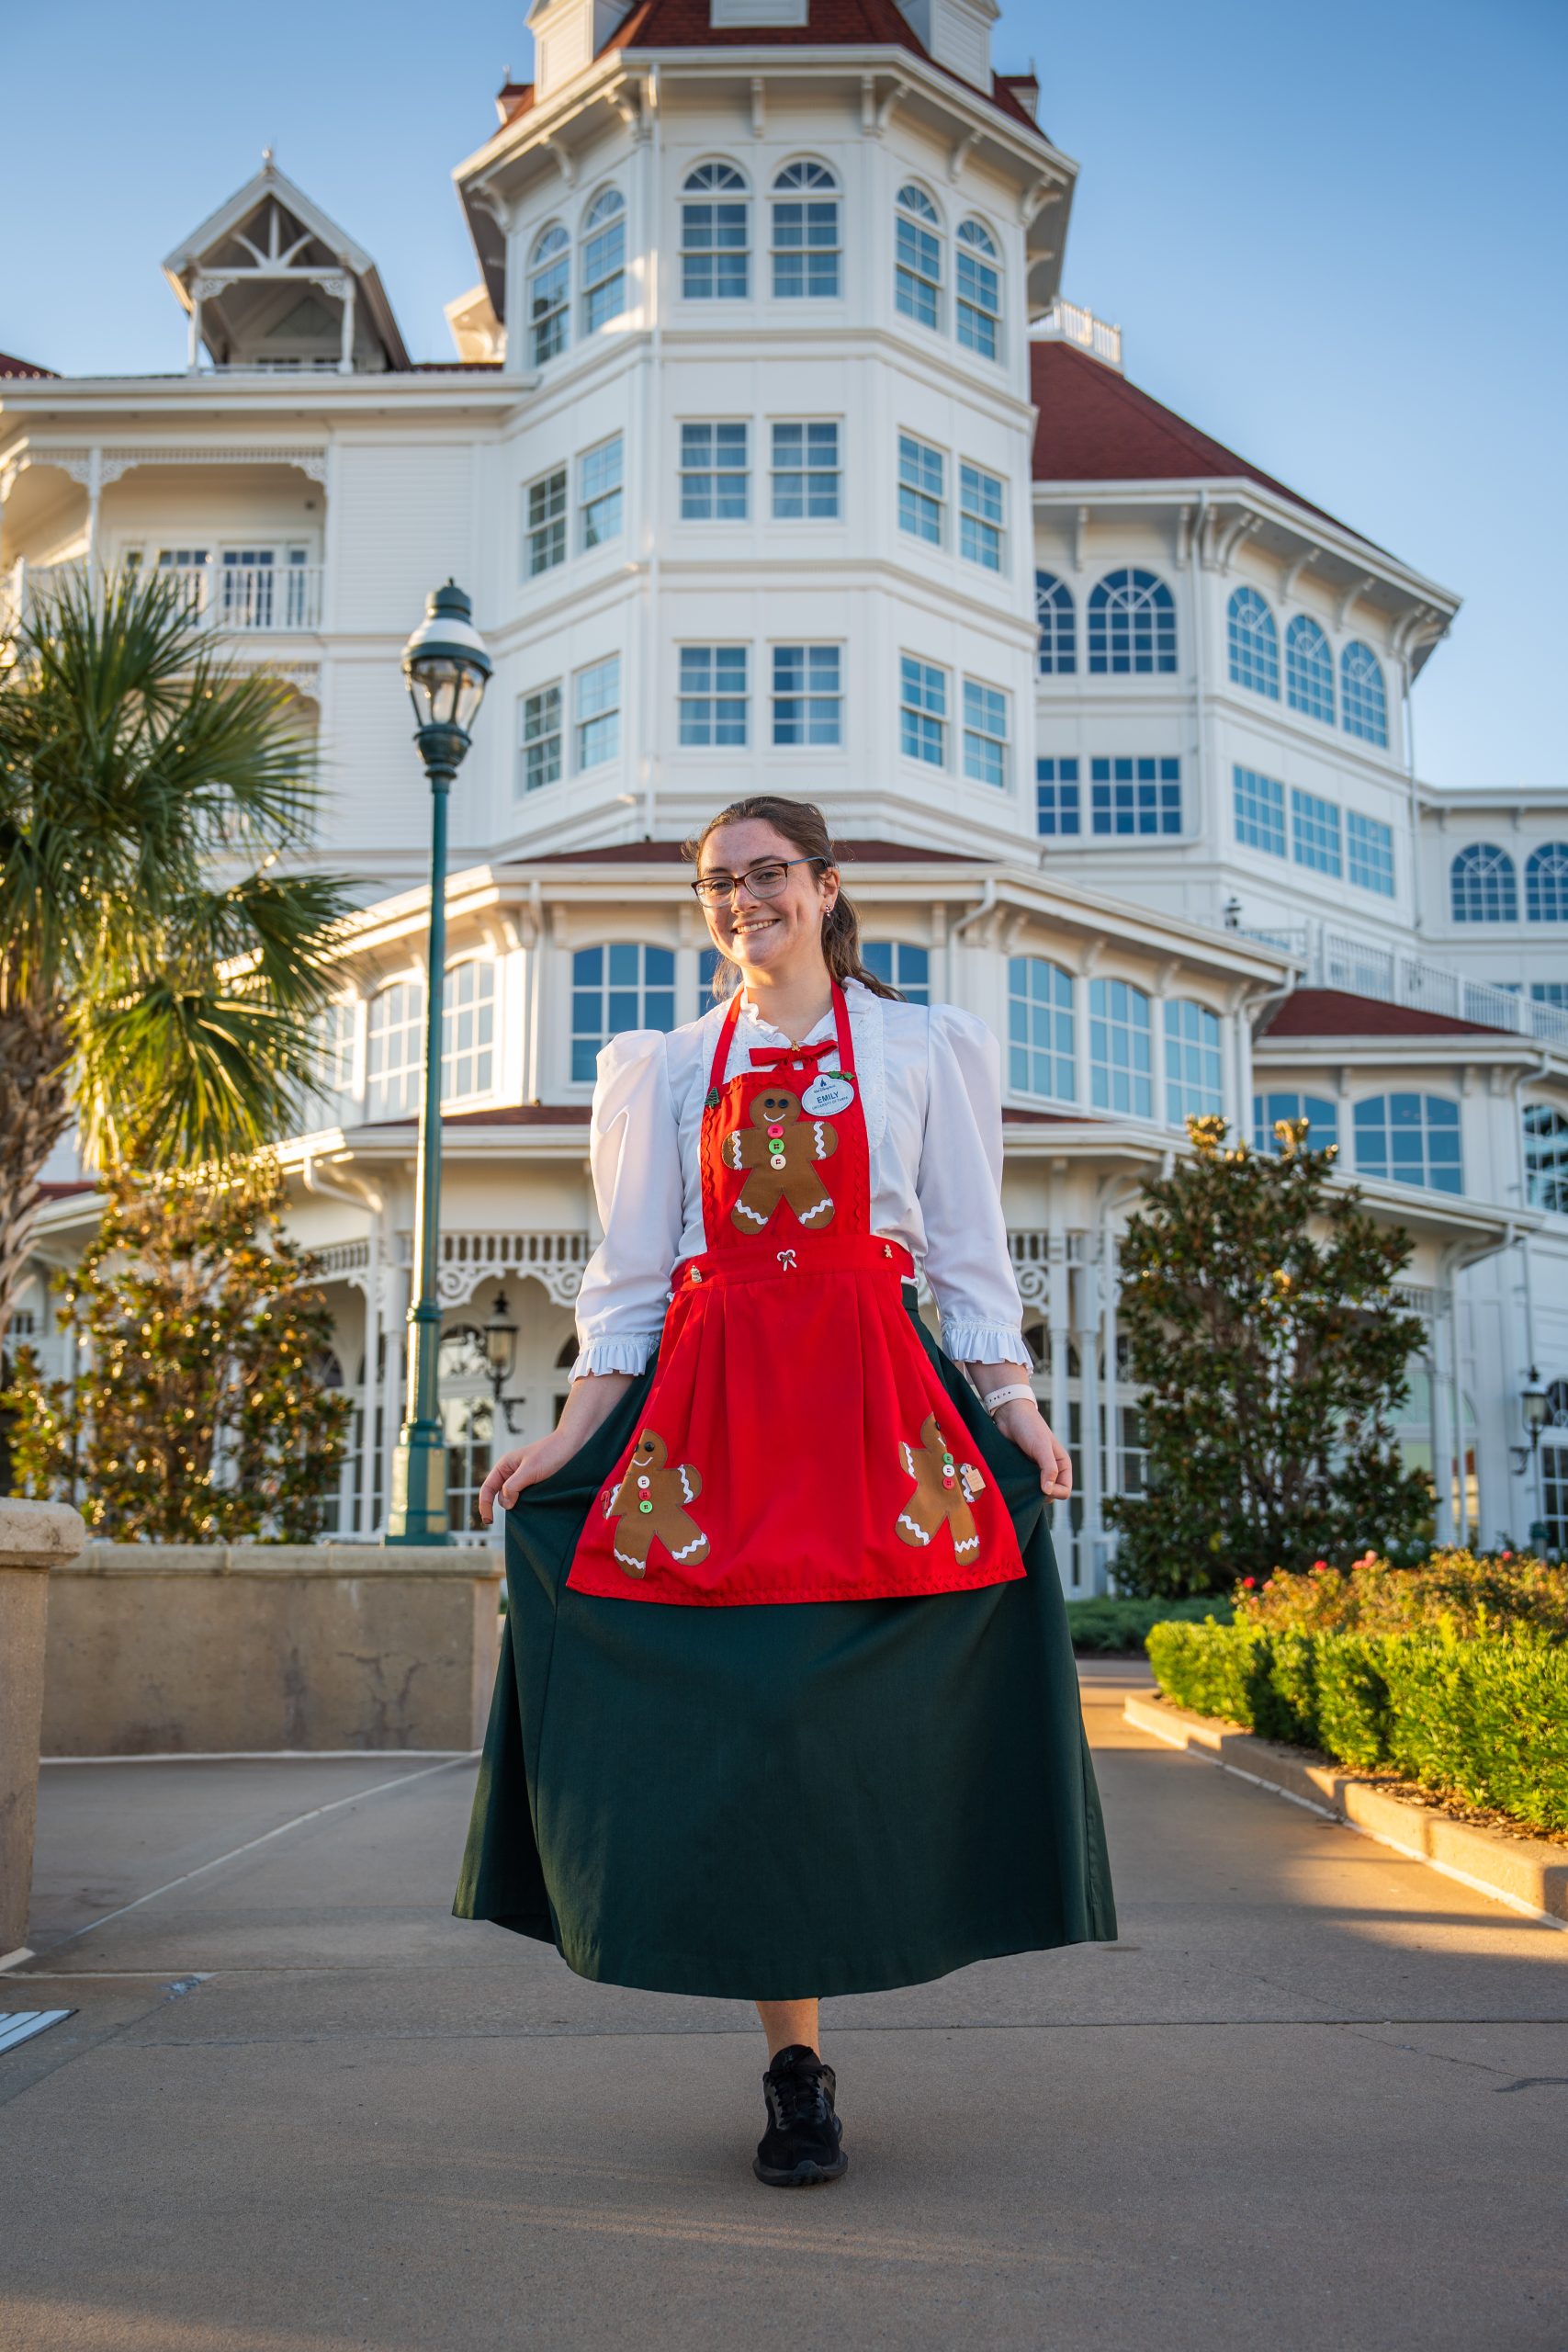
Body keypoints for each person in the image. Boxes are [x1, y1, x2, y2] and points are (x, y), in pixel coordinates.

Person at [456, 795, 1116, 2188]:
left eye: (764, 875)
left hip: (879, 1415)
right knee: (754, 1724)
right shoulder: (667, 1067)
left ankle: (877, 1957)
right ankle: (794, 2064)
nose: (740, 898)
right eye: (716, 883)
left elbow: (970, 1263)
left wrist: (1019, 1409)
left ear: (823, 886)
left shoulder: (926, 1045)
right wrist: (566, 1441)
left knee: (840, 1728)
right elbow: (628, 1285)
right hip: (715, 1425)